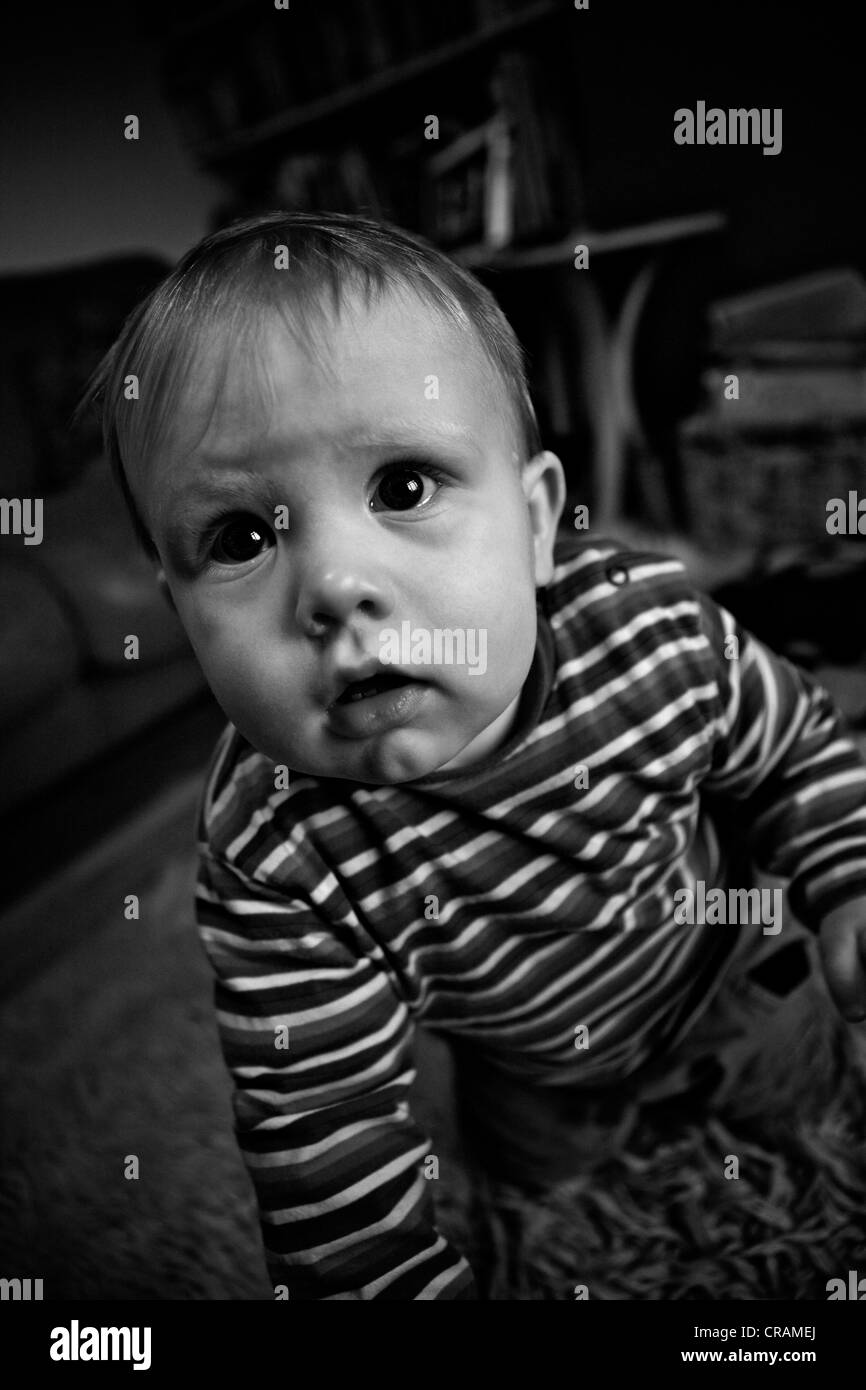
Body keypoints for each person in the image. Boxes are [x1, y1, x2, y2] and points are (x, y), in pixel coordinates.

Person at [83, 211, 866, 1299]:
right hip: (533, 1065)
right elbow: (321, 1128)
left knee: (808, 1101)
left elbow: (793, 758)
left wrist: (845, 883)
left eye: (402, 486)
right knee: (536, 1180)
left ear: (538, 524)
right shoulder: (271, 853)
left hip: (729, 975)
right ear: (179, 615)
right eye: (239, 538)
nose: (333, 586)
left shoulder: (656, 638)